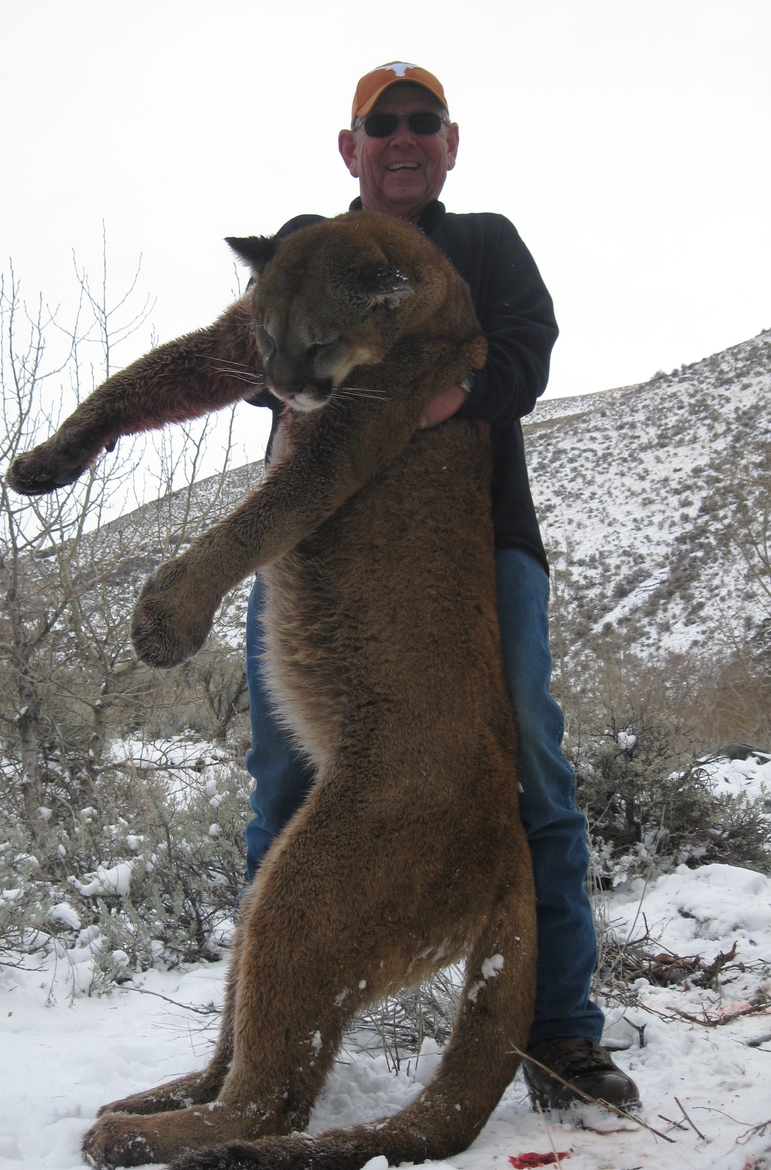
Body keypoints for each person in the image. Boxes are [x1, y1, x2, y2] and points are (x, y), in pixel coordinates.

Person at [242, 62, 639, 1112]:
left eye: (425, 123)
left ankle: (559, 1033)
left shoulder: (485, 243)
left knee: (533, 774)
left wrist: (444, 395)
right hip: (313, 553)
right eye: (386, 124)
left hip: (476, 557)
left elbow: (527, 353)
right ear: (351, 147)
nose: (405, 138)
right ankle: (259, 1045)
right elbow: (259, 366)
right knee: (283, 783)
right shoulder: (309, 244)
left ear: (451, 144)